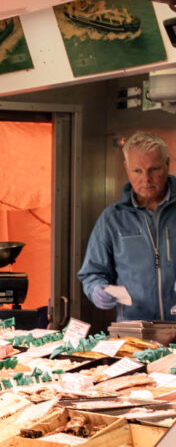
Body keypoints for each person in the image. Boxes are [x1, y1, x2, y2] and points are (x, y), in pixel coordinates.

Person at [79, 131, 176, 322]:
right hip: (134, 331)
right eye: (137, 171)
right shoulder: (112, 218)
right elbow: (92, 273)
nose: (146, 179)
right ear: (126, 168)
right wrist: (97, 290)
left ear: (167, 164)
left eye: (154, 169)